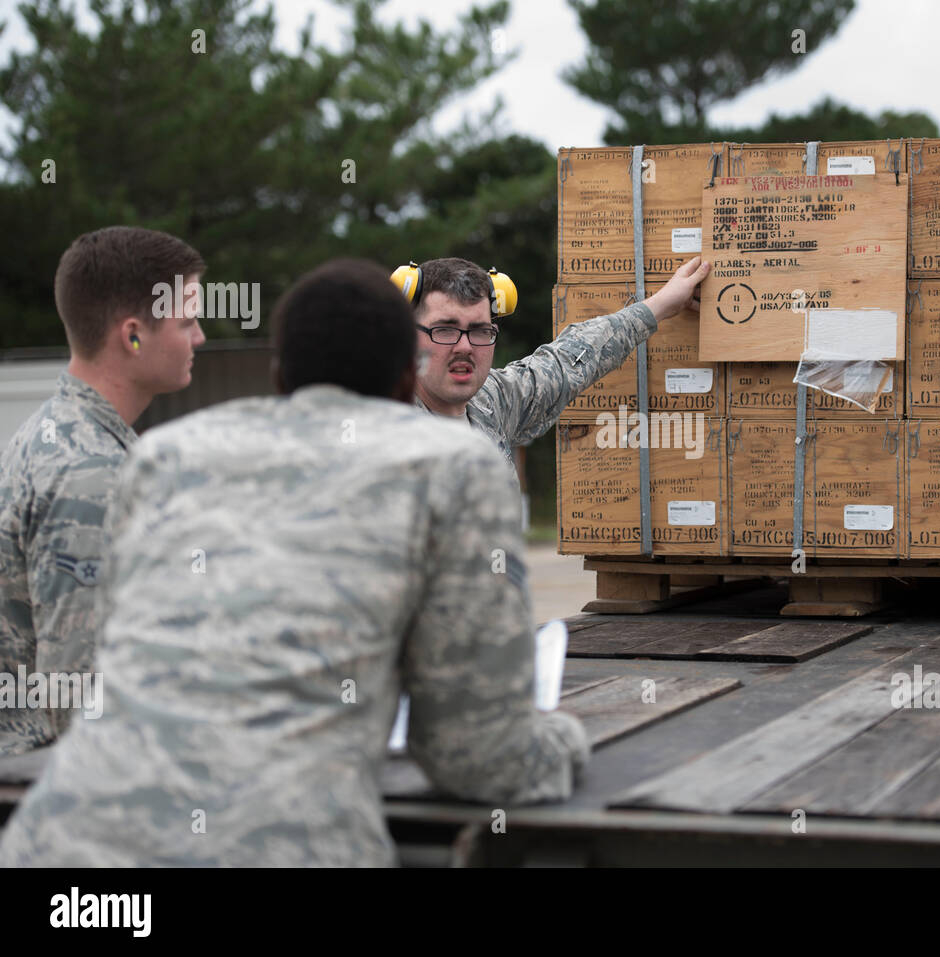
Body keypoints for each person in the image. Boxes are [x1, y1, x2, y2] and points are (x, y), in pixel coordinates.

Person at [0, 259, 588, 867]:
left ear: (280, 376)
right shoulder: (455, 466)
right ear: (399, 380)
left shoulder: (165, 457)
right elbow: (478, 756)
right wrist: (566, 738)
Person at [0, 226, 206, 755]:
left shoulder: (58, 433)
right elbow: (81, 700)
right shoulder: (90, 470)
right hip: (57, 787)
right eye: (186, 322)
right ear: (133, 335)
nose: (200, 337)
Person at [399, 255, 709, 468]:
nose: (464, 346)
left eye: (480, 331)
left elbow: (568, 361)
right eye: (446, 329)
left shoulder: (492, 402)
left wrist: (662, 304)